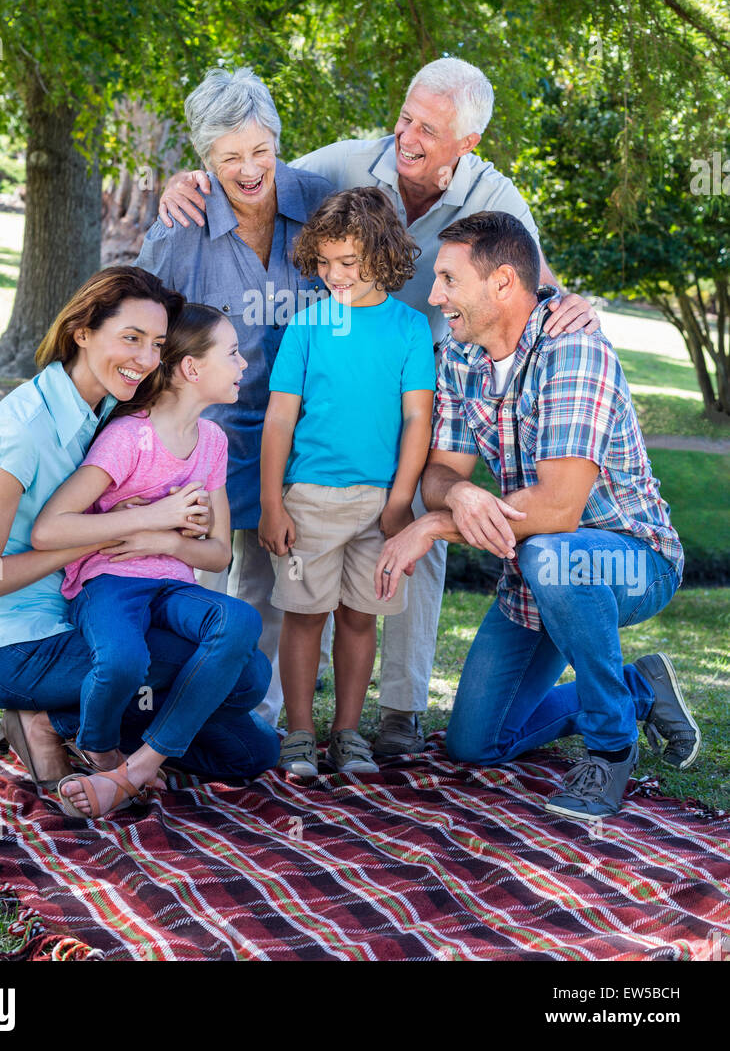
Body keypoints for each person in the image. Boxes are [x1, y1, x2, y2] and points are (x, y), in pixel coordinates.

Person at [156, 57, 599, 756]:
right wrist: (192, 181)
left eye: (429, 129)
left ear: (467, 144)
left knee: (412, 542)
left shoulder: (496, 196)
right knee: (275, 583)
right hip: (311, 405)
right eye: (405, 117)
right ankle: (267, 719)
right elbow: (250, 166)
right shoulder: (346, 163)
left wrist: (566, 300)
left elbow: (528, 274)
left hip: (417, 384)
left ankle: (397, 714)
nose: (408, 136)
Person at [375, 212, 699, 819]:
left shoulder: (573, 350)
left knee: (551, 554)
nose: (435, 294)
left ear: (501, 283)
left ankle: (610, 746)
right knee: (476, 743)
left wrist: (431, 524)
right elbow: (442, 473)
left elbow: (557, 506)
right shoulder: (459, 355)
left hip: (631, 556)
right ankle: (637, 688)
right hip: (535, 570)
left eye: (447, 279)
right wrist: (460, 495)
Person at [0, 267, 279, 796]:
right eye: (130, 339)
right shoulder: (20, 432)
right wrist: (125, 528)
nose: (146, 360)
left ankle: (81, 724)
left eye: (155, 344)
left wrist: (166, 532)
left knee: (253, 747)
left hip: (99, 613)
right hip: (23, 646)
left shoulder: (108, 409)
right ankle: (51, 724)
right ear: (81, 332)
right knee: (243, 677)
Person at [135, 66, 335, 725]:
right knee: (199, 584)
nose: (250, 169)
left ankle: (257, 719)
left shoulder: (324, 206)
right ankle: (179, 716)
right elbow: (138, 324)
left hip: (299, 440)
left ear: (278, 140)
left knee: (275, 585)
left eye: (261, 150)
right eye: (229, 158)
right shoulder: (181, 224)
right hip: (206, 438)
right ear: (205, 159)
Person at [32, 304, 261, 820]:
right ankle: (92, 743)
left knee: (240, 618)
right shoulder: (129, 437)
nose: (244, 364)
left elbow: (218, 552)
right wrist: (147, 523)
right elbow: (50, 525)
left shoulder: (214, 443)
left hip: (171, 584)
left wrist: (166, 541)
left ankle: (136, 768)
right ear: (193, 369)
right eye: (232, 353)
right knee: (123, 661)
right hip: (109, 581)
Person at [259, 189, 435, 776]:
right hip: (308, 500)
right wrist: (270, 503)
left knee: (361, 617)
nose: (333, 275)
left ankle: (349, 733)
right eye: (326, 262)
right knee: (305, 615)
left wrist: (402, 501)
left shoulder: (410, 330)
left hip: (381, 505)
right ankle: (301, 733)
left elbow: (418, 418)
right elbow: (280, 417)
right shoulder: (307, 326)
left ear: (381, 256)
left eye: (349, 263)